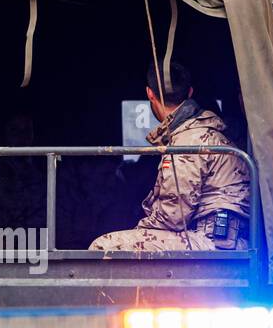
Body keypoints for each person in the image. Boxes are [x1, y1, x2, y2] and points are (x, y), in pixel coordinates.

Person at [89, 61, 250, 252]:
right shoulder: (199, 132)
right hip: (221, 238)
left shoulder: (188, 139)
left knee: (105, 247)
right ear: (190, 92)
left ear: (150, 93)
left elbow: (173, 214)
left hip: (211, 242)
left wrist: (139, 231)